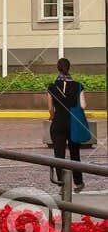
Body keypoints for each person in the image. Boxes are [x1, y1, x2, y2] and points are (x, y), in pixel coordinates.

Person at [47, 57, 86, 190]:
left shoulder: (52, 87)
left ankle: (62, 185)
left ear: (58, 68)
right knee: (75, 154)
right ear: (69, 68)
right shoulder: (78, 86)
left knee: (59, 155)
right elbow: (83, 105)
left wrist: (52, 116)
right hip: (73, 123)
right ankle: (79, 182)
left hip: (58, 123)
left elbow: (50, 109)